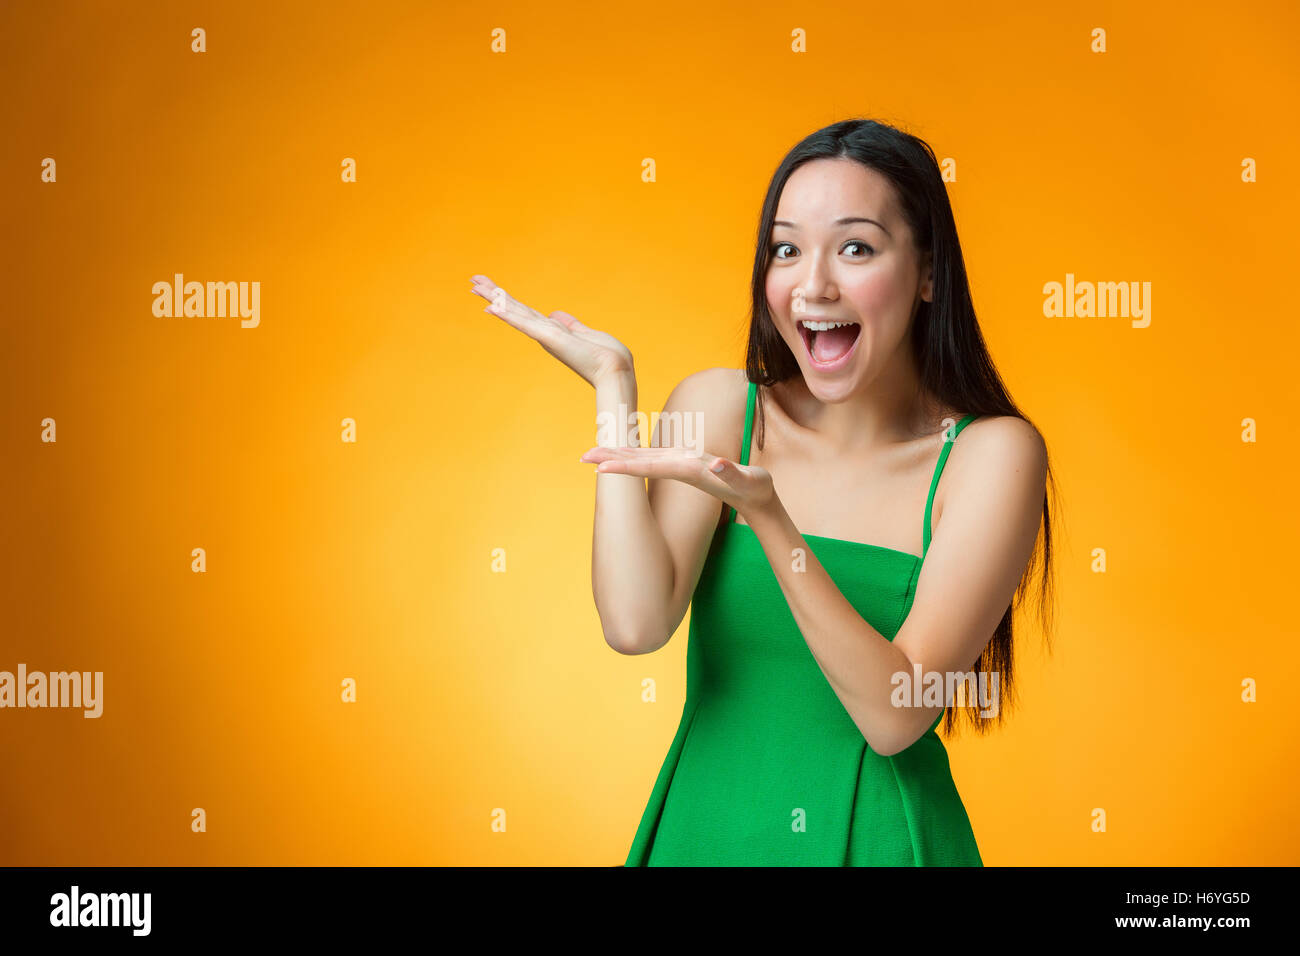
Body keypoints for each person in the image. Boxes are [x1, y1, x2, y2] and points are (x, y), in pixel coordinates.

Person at [470, 117, 1058, 866]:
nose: (813, 285)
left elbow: (893, 716)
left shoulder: (989, 456)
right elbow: (635, 622)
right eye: (786, 248)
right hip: (706, 829)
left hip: (878, 838)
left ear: (929, 272)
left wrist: (771, 520)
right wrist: (617, 392)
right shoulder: (720, 411)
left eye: (856, 248)